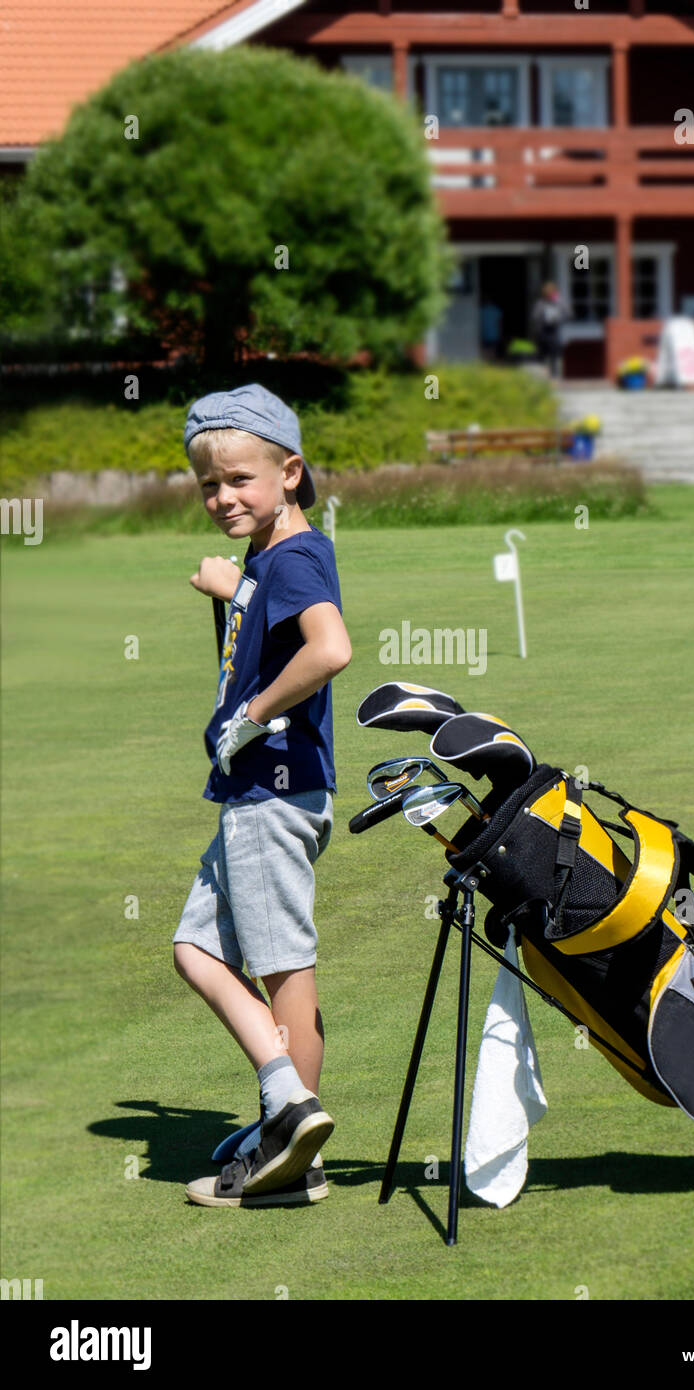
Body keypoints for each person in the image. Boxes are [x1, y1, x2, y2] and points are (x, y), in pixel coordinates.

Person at [174, 382, 352, 1208]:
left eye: (239, 479)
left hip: (270, 793)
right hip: (266, 792)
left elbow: (329, 649)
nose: (222, 497)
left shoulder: (295, 555)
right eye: (209, 484)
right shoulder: (271, 561)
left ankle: (289, 1125)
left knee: (282, 965)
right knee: (199, 949)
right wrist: (232, 596)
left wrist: (247, 717)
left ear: (290, 472)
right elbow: (271, 631)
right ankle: (285, 1116)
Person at [531, 281, 566, 379]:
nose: (551, 294)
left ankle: (555, 376)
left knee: (555, 355)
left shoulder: (559, 302)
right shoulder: (541, 303)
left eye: (552, 292)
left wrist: (558, 317)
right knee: (542, 355)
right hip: (543, 332)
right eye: (548, 292)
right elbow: (535, 317)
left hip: (554, 331)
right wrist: (543, 319)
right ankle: (544, 376)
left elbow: (567, 313)